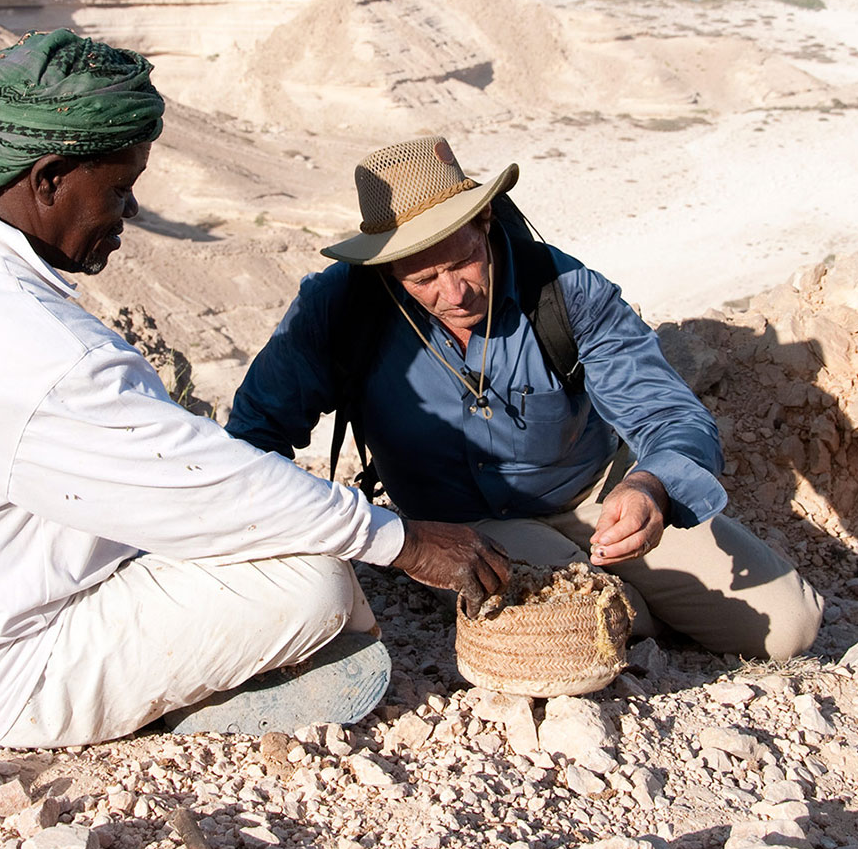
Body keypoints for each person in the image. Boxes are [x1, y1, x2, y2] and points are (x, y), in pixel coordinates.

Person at [0, 33, 507, 747]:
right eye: (118, 188)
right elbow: (215, 484)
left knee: (272, 533)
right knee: (315, 582)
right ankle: (190, 705)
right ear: (48, 178)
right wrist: (404, 540)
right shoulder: (33, 349)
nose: (131, 211)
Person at [228, 136, 821, 660]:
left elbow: (665, 411)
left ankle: (643, 605)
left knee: (788, 627)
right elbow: (255, 434)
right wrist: (336, 536)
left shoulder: (565, 290)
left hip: (594, 493)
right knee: (596, 618)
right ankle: (638, 615)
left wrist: (650, 487)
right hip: (464, 526)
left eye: (463, 263)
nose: (453, 293)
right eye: (422, 280)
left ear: (486, 221)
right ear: (385, 270)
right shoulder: (339, 310)